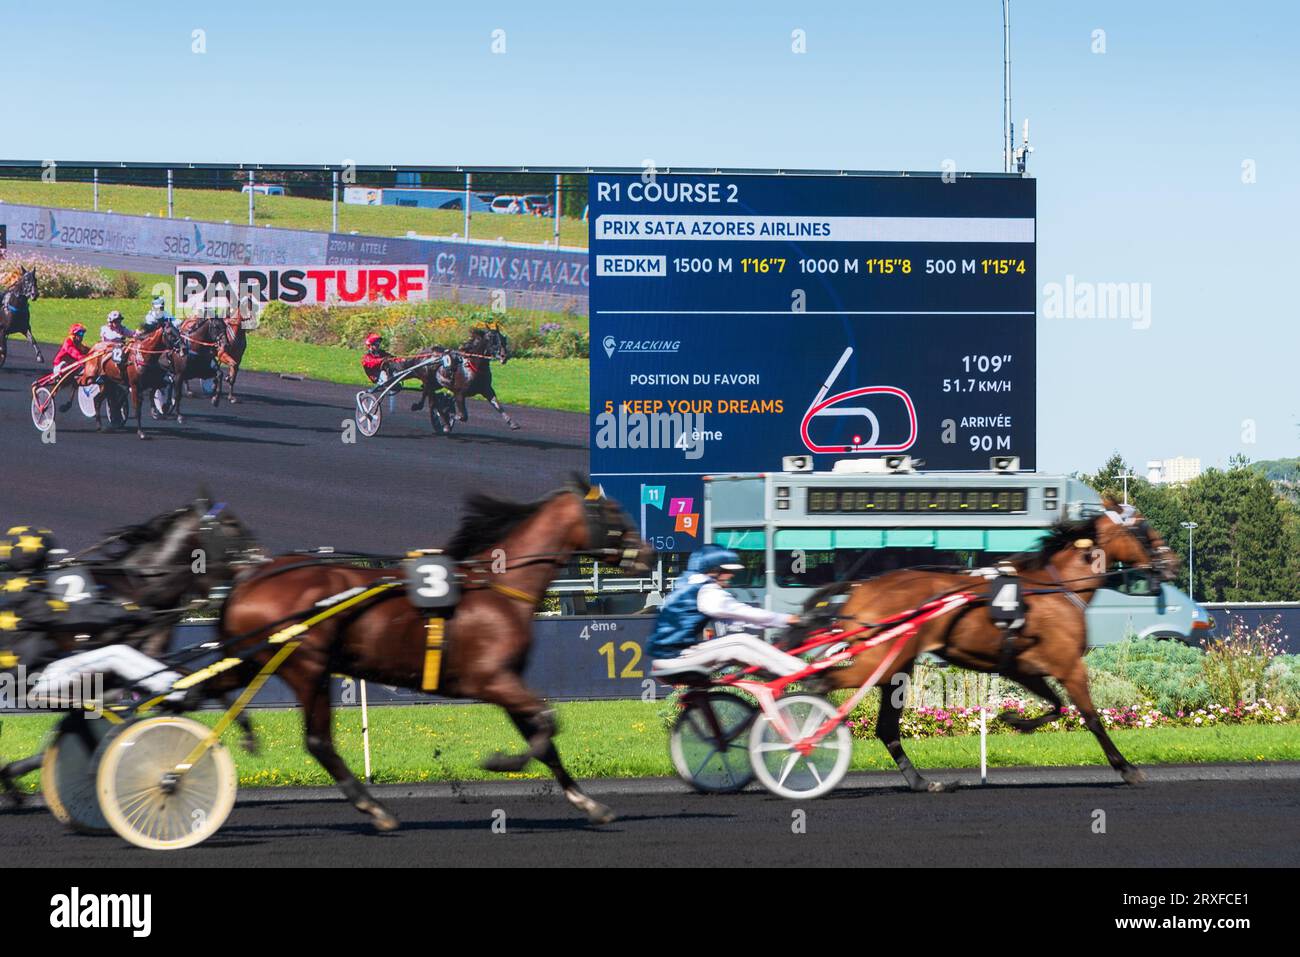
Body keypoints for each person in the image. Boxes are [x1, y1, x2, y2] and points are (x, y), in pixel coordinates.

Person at [0, 527, 185, 708]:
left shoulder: (8, 588)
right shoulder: (28, 596)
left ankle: (118, 695)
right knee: (116, 654)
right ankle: (177, 689)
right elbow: (74, 615)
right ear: (41, 560)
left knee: (81, 656)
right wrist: (128, 612)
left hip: (18, 680)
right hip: (31, 682)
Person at [647, 544, 805, 679]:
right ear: (713, 571)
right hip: (676, 657)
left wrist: (778, 622)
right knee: (739, 644)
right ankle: (800, 672)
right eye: (727, 570)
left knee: (741, 639)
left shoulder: (687, 581)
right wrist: (788, 619)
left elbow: (739, 620)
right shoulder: (707, 590)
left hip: (670, 654)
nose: (732, 574)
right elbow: (746, 614)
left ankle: (792, 670)